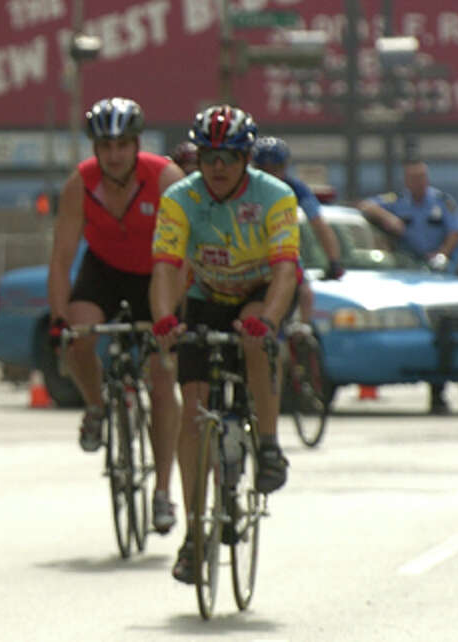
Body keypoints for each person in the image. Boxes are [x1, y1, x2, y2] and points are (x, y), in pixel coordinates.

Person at [149, 105, 299, 585]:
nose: (217, 167)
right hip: (207, 296)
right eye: (209, 156)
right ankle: (195, 536)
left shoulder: (275, 196)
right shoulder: (180, 198)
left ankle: (270, 445)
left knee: (256, 336)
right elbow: (166, 267)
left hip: (259, 295)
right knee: (193, 410)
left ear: (246, 158)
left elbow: (284, 270)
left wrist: (270, 320)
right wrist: (165, 319)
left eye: (229, 157)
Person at [46, 97, 186, 534]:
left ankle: (163, 493)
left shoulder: (166, 179)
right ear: (94, 148)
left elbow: (188, 254)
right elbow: (62, 258)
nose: (114, 155)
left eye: (123, 145)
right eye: (105, 146)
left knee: (162, 381)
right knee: (78, 336)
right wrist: (58, 320)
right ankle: (94, 406)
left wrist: (169, 314)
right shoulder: (80, 185)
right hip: (104, 270)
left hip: (160, 273)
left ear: (136, 145)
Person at [358, 161, 458, 415]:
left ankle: (438, 392)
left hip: (438, 274)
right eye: (414, 178)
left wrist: (442, 255)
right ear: (407, 181)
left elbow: (456, 230)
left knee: (445, 330)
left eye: (423, 177)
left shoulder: (441, 201)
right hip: (405, 273)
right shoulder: (396, 202)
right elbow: (366, 206)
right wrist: (389, 219)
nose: (420, 182)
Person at [252, 136, 345, 323]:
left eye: (276, 169)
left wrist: (333, 260)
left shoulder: (295, 188)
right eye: (264, 169)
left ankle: (304, 329)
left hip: (280, 246)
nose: (270, 176)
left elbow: (319, 224)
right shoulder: (246, 186)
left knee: (303, 288)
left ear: (285, 167)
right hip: (248, 250)